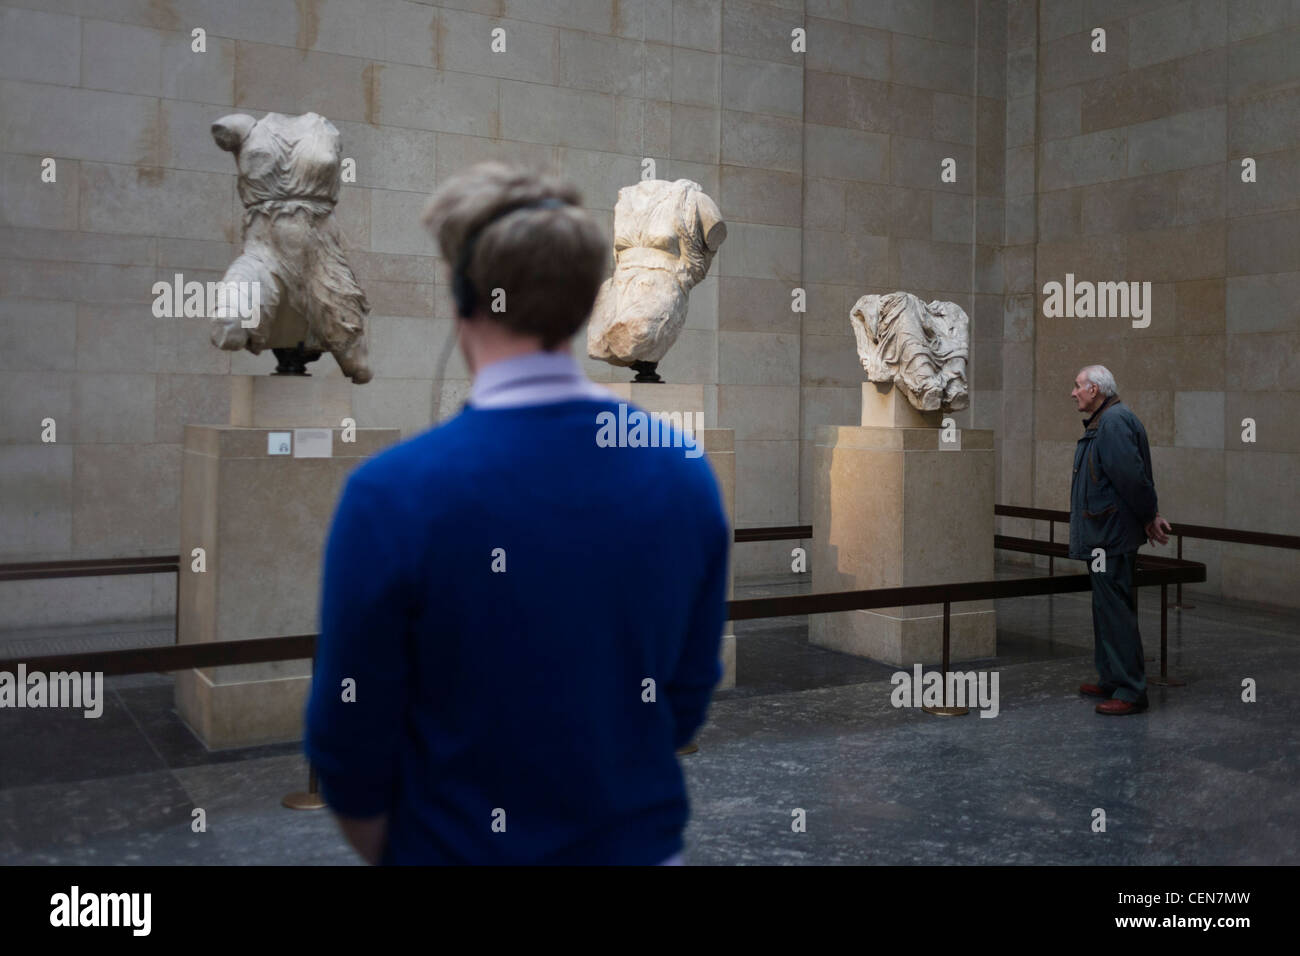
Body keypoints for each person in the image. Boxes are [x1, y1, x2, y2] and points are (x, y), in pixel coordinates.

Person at [303, 162, 731, 864]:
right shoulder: (682, 476)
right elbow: (682, 707)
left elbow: (349, 746)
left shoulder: (389, 495)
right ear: (581, 301)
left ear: (462, 303)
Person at [1068, 365, 1171, 716]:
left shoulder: (1112, 423)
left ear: (1095, 390)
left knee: (1116, 613)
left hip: (1110, 537)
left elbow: (1132, 477)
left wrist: (1149, 515)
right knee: (1105, 610)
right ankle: (1111, 677)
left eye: (1078, 386)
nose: (1074, 392)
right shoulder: (1107, 420)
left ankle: (1130, 690)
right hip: (1103, 536)